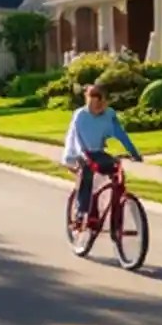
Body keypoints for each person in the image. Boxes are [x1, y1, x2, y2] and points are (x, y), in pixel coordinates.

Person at [61, 84, 143, 230]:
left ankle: (117, 212)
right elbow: (76, 139)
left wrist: (134, 152)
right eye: (94, 103)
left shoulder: (109, 115)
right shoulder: (81, 115)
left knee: (117, 171)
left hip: (98, 152)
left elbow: (121, 135)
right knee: (87, 174)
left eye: (101, 103)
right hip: (79, 153)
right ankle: (81, 214)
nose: (98, 107)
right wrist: (83, 156)